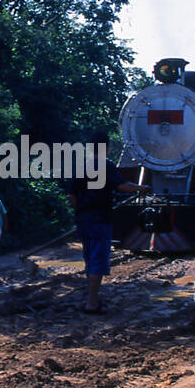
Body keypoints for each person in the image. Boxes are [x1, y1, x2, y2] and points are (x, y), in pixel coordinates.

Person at [64, 131, 149, 313]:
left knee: (89, 259)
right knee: (98, 261)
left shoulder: (81, 166)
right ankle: (92, 303)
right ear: (107, 148)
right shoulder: (106, 165)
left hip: (83, 220)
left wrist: (80, 210)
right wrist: (142, 188)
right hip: (100, 219)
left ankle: (92, 299)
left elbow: (71, 196)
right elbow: (121, 186)